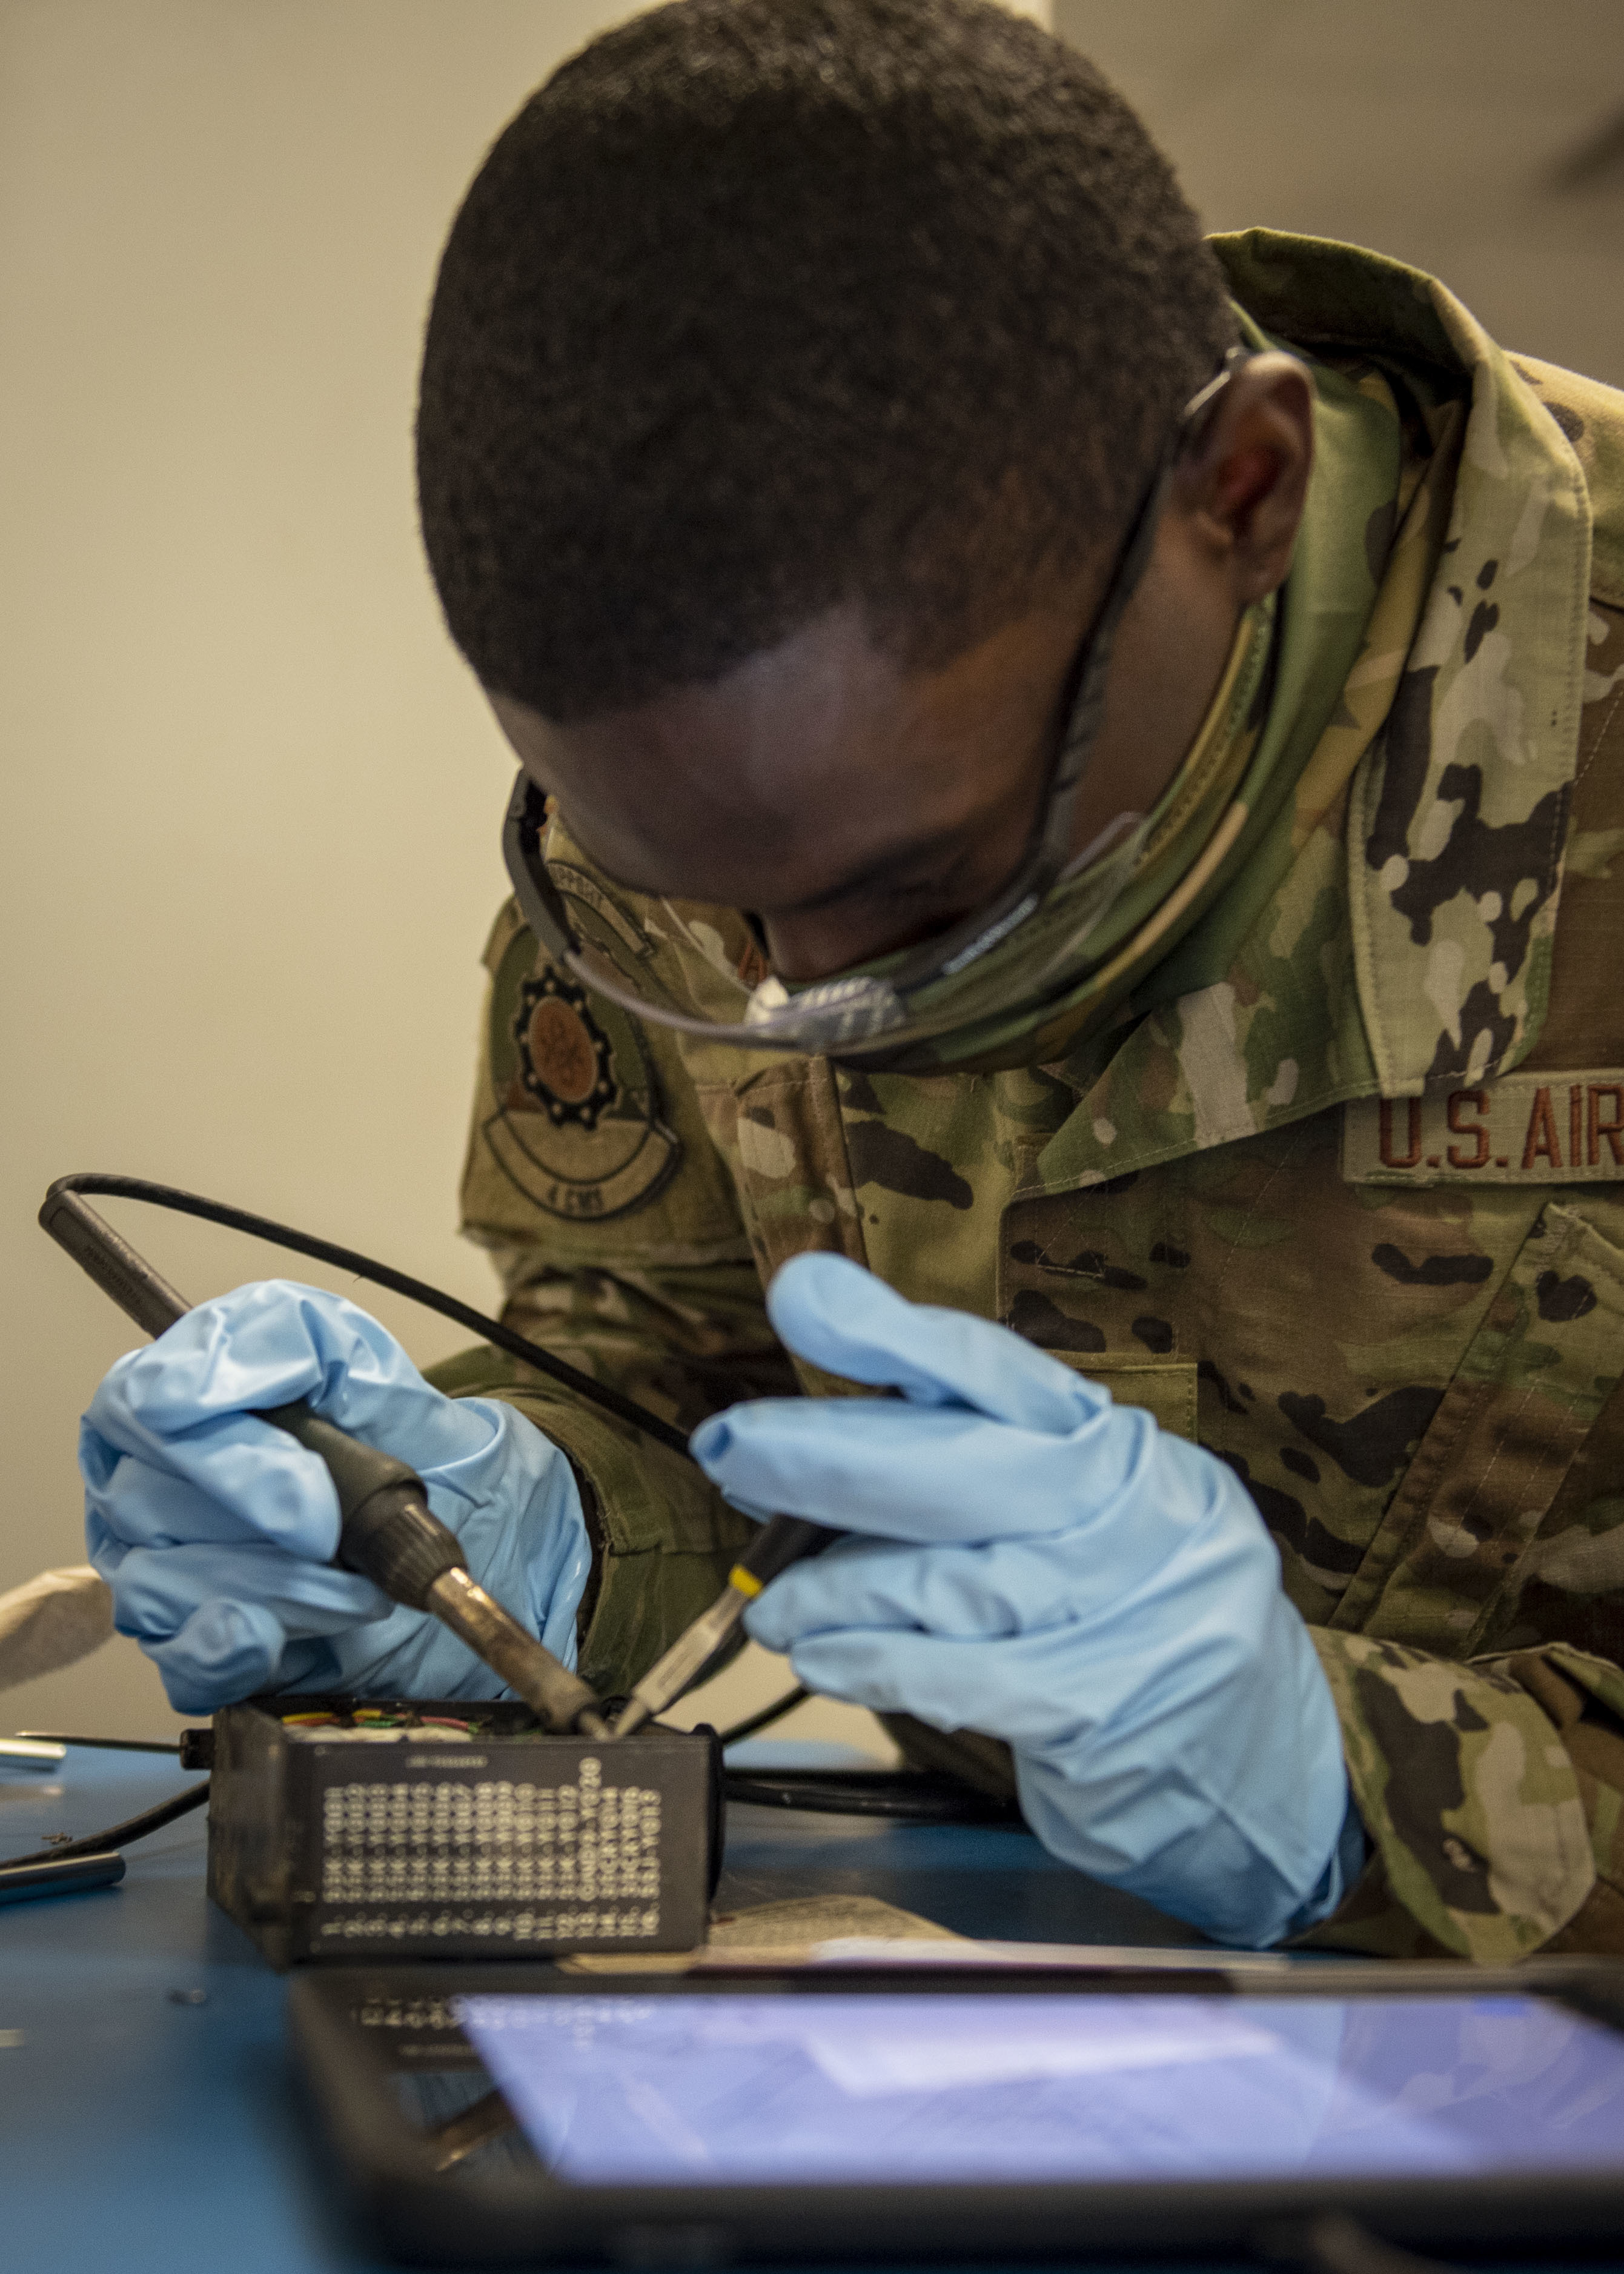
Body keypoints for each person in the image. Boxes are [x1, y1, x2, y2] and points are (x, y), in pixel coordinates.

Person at [81, 0, 1624, 1959]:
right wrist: (506, 1522)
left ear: (1235, 494)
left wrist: (1348, 1784)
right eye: (695, 904)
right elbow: (678, 1378)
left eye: (914, 888)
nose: (799, 1003)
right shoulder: (737, 819)